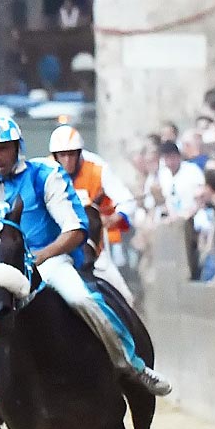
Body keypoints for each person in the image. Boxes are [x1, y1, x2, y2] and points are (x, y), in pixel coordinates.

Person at [0, 116, 172, 429]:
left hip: (48, 262)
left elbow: (76, 228)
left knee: (84, 298)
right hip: (1, 273)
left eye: (3, 149)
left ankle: (132, 364)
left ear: (17, 147)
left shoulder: (45, 176)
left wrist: (43, 254)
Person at [44, 124, 138, 303]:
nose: (67, 160)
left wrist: (112, 218)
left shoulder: (97, 168)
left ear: (79, 153)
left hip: (95, 251)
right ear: (54, 155)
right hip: (56, 248)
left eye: (72, 154)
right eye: (62, 155)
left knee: (126, 298)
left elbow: (128, 201)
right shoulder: (44, 170)